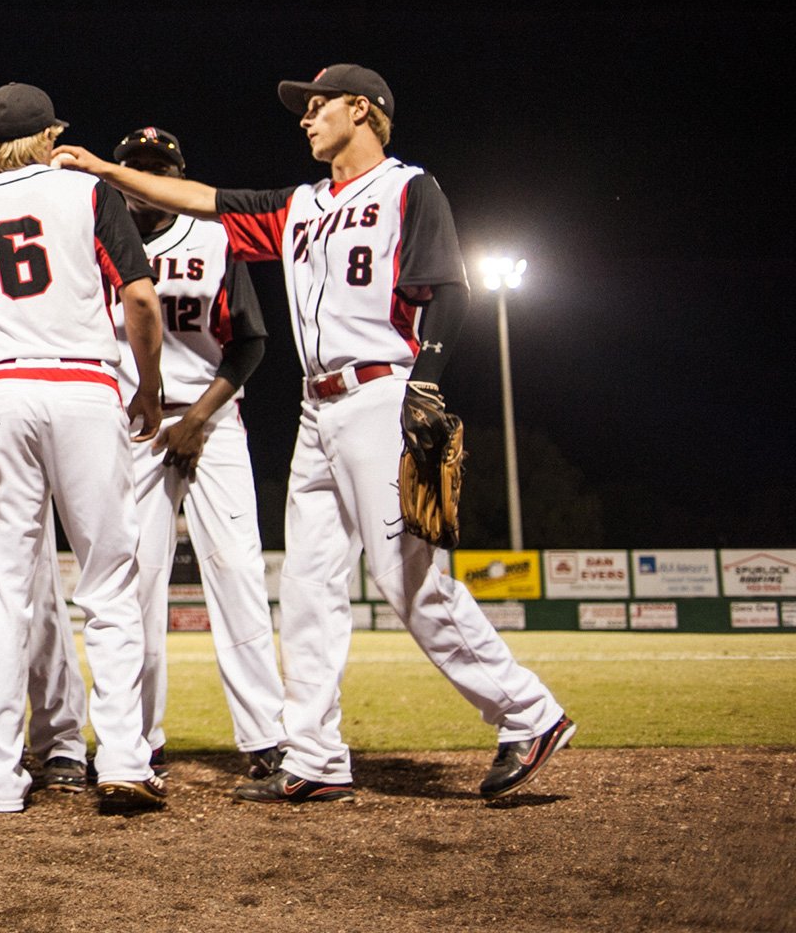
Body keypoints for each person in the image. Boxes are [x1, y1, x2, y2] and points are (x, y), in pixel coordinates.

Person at [57, 64, 575, 802]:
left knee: (408, 579)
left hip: (379, 393)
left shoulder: (407, 187)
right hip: (316, 407)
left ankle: (529, 713)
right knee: (306, 589)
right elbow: (203, 199)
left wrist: (426, 379)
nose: (304, 117)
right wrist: (107, 170)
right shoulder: (301, 204)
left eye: (317, 105)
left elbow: (450, 288)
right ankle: (316, 758)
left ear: (361, 109)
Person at [0, 83, 167, 812]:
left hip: (0, 393)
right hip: (82, 389)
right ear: (47, 139)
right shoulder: (86, 191)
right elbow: (139, 297)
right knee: (108, 584)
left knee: (2, 595)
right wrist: (151, 386)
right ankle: (126, 763)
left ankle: (0, 779)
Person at [108, 126, 286, 779]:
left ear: (177, 174)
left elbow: (249, 342)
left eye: (159, 166)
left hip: (209, 424)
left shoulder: (213, 236)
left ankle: (267, 739)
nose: (146, 175)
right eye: (136, 165)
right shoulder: (95, 240)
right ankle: (139, 741)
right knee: (138, 584)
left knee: (237, 573)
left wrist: (199, 420)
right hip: (133, 429)